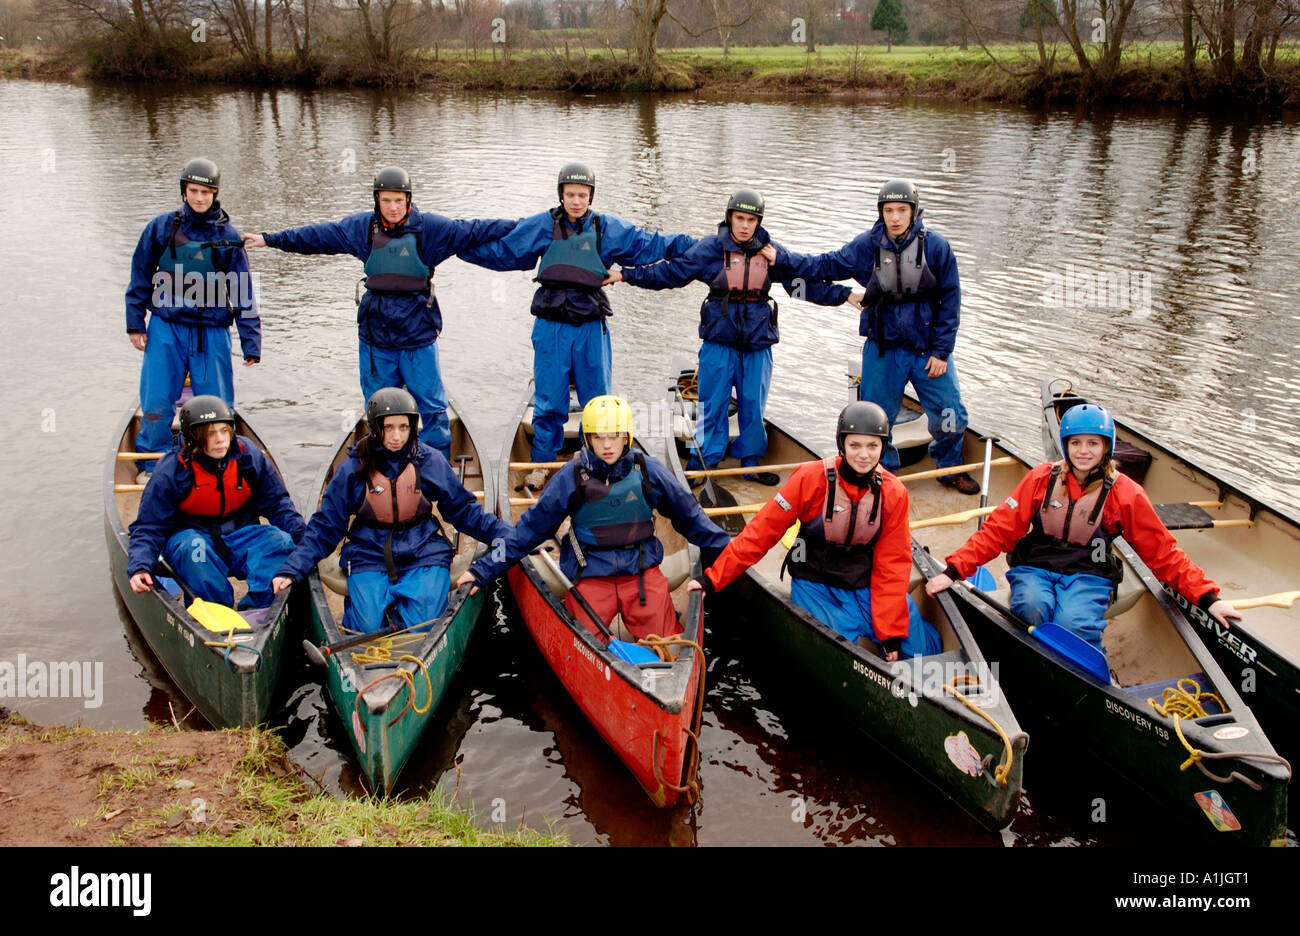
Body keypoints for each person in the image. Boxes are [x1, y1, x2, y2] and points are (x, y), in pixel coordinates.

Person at [924, 404, 1243, 653]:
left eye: (1093, 443)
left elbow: (1162, 553)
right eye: (1076, 443)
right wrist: (953, 571)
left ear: (1107, 447)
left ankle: (1084, 664)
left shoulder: (1125, 493)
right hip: (1035, 568)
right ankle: (1034, 653)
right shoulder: (1040, 480)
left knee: (1073, 625)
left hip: (1088, 575)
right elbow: (997, 531)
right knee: (1032, 607)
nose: (1084, 451)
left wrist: (1208, 599)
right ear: (1065, 445)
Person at [243, 167, 516, 457]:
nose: (393, 207)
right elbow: (318, 236)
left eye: (398, 200)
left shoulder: (431, 231)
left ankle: (436, 468)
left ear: (408, 200)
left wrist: (528, 226)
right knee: (379, 407)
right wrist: (270, 239)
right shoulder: (363, 229)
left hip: (417, 337)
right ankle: (383, 467)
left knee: (433, 409)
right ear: (377, 201)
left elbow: (476, 230)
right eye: (386, 201)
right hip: (376, 338)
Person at [457, 163, 696, 485]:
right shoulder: (543, 225)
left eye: (582, 195)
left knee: (597, 402)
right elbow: (504, 252)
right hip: (551, 326)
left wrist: (697, 247)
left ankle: (597, 462)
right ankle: (542, 465)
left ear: (590, 197)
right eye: (570, 195)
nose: (576, 201)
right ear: (561, 196)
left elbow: (649, 244)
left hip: (589, 327)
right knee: (549, 401)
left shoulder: (604, 228)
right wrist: (457, 248)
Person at [609, 188, 852, 485]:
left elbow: (801, 286)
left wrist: (845, 294)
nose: (745, 225)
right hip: (719, 342)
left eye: (751, 219)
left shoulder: (771, 253)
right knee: (713, 403)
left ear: (758, 222)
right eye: (740, 218)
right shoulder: (710, 250)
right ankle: (705, 461)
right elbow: (671, 274)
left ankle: (749, 463)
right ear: (730, 218)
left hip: (758, 344)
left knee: (753, 404)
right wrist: (626, 275)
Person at [456, 396, 731, 640]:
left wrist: (729, 557)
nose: (607, 445)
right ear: (587, 438)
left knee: (668, 644)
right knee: (583, 640)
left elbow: (693, 519)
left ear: (627, 437)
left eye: (614, 435)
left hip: (641, 573)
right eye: (598, 437)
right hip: (591, 573)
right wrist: (483, 569)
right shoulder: (571, 476)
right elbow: (526, 532)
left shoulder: (649, 471)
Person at [688, 401, 941, 661]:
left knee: (920, 647)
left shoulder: (893, 492)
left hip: (865, 583)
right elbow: (760, 533)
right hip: (816, 583)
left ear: (883, 447)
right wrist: (713, 578)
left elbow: (893, 562)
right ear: (842, 445)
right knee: (838, 654)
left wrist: (890, 632)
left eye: (872, 446)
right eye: (855, 445)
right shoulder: (809, 479)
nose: (863, 455)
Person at [777, 180, 979, 493]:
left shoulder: (936, 248)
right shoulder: (866, 246)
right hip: (884, 350)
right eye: (889, 211)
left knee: (951, 416)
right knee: (875, 420)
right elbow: (821, 266)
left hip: (928, 350)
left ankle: (950, 467)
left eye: (902, 210)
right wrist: (784, 261)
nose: (895, 217)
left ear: (913, 211)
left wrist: (942, 351)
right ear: (880, 213)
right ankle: (885, 475)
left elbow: (951, 300)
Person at [271, 388, 511, 634]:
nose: (397, 436)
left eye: (404, 427)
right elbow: (326, 526)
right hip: (368, 551)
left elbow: (463, 510)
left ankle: (401, 615)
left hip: (423, 550)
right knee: (367, 627)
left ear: (413, 427)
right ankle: (386, 614)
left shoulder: (429, 461)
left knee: (424, 626)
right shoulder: (353, 468)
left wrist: (506, 535)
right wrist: (293, 567)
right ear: (376, 428)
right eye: (388, 428)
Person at [125, 159, 261, 470]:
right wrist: (135, 323)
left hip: (211, 332)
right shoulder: (162, 227)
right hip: (166, 327)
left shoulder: (228, 236)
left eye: (206, 192)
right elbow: (140, 276)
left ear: (215, 193)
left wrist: (251, 341)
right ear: (184, 192)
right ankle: (153, 465)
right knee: (157, 400)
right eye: (193, 191)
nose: (199, 198)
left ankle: (216, 464)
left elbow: (242, 293)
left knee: (216, 404)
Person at [127, 395, 305, 610]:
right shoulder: (172, 469)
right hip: (195, 537)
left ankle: (259, 612)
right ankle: (217, 614)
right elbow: (149, 526)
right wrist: (140, 566)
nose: (221, 440)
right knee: (194, 550)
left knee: (279, 541)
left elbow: (277, 504)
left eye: (224, 430)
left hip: (241, 533)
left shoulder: (248, 457)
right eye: (210, 433)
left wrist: (305, 542)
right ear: (193, 437)